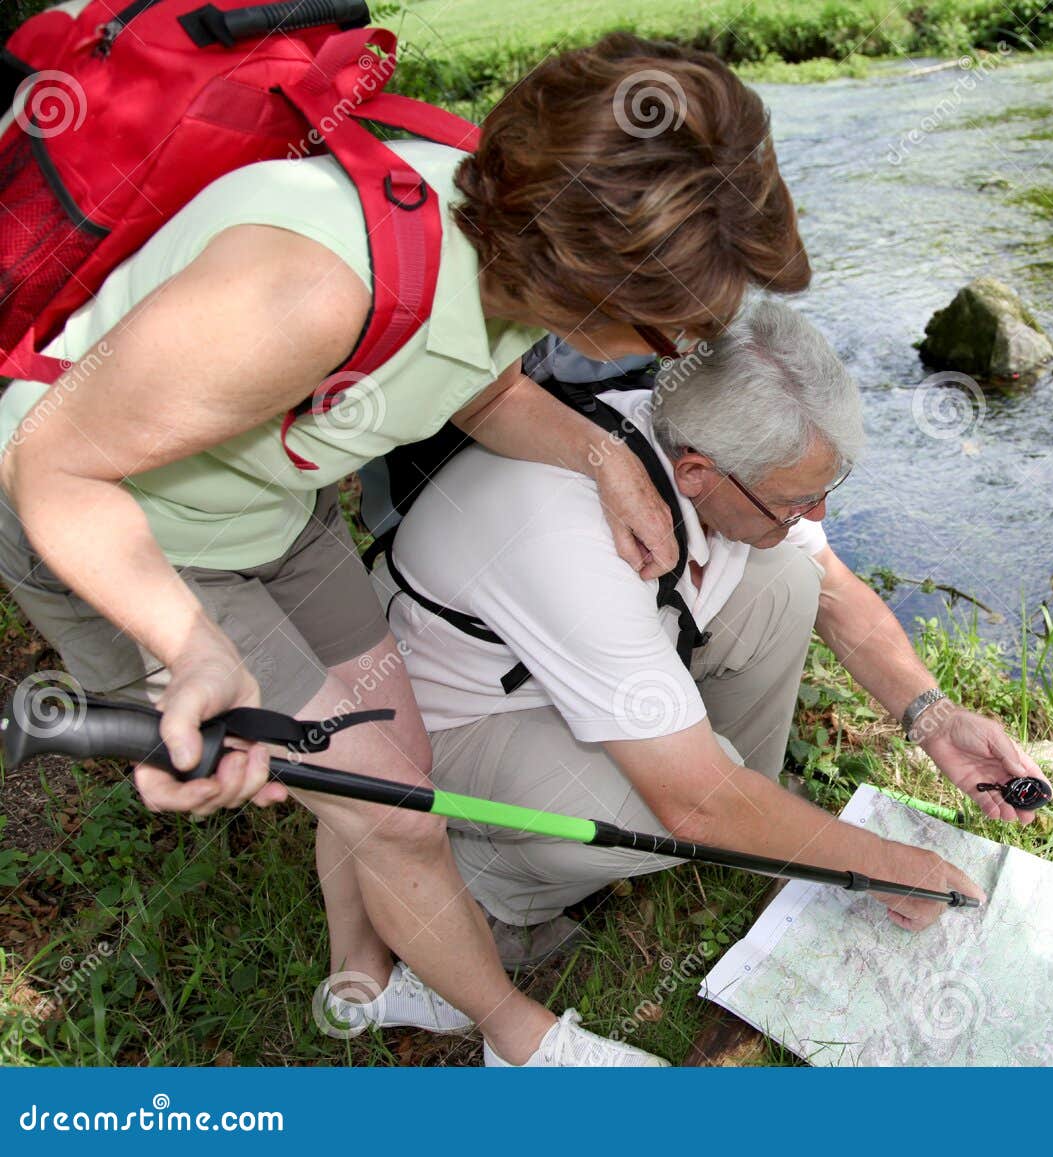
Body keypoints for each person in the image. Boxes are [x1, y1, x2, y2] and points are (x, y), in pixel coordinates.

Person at [0, 34, 808, 1067]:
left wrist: (602, 455)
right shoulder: (308, 288)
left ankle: (370, 978)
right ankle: (524, 1045)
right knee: (398, 816)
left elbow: (462, 372)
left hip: (267, 515)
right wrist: (188, 647)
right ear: (578, 277)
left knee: (400, 766)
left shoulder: (500, 232)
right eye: (662, 323)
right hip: (130, 534)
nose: (668, 351)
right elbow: (50, 460)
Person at [379, 300, 1043, 982]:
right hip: (458, 723)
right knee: (666, 808)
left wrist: (934, 716)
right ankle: (489, 888)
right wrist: (887, 866)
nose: (816, 515)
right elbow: (692, 802)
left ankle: (752, 824)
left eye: (823, 490)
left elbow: (840, 594)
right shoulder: (568, 536)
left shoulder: (710, 445)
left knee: (789, 577)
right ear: (697, 473)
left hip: (569, 663)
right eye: (795, 502)